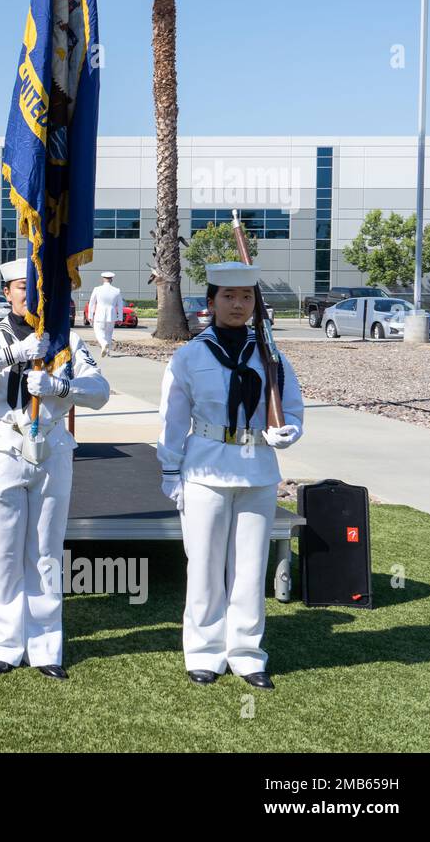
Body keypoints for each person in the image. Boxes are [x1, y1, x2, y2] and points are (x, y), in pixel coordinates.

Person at [0, 258, 109, 679]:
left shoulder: (66, 341)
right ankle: (4, 645)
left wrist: (62, 385)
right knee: (4, 553)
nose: (31, 295)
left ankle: (45, 647)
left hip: (51, 447)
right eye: (23, 287)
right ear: (7, 293)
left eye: (38, 288)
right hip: (5, 447)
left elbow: (100, 392)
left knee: (45, 552)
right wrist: (15, 353)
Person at [157, 261, 304, 690]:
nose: (238, 305)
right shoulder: (190, 355)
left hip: (257, 468)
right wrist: (171, 471)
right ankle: (203, 652)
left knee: (250, 567)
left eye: (246, 298)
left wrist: (287, 432)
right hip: (205, 467)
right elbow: (171, 419)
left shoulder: (271, 354)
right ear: (211, 303)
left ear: (255, 304)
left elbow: (291, 408)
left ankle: (246, 653)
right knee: (203, 566)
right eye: (228, 297)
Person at [87, 270, 123, 357]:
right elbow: (120, 305)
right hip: (111, 315)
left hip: (99, 314)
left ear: (103, 279)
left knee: (98, 332)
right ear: (112, 279)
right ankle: (108, 352)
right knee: (109, 334)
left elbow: (92, 303)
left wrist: (90, 315)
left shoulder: (97, 289)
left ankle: (103, 344)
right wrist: (120, 318)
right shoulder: (116, 290)